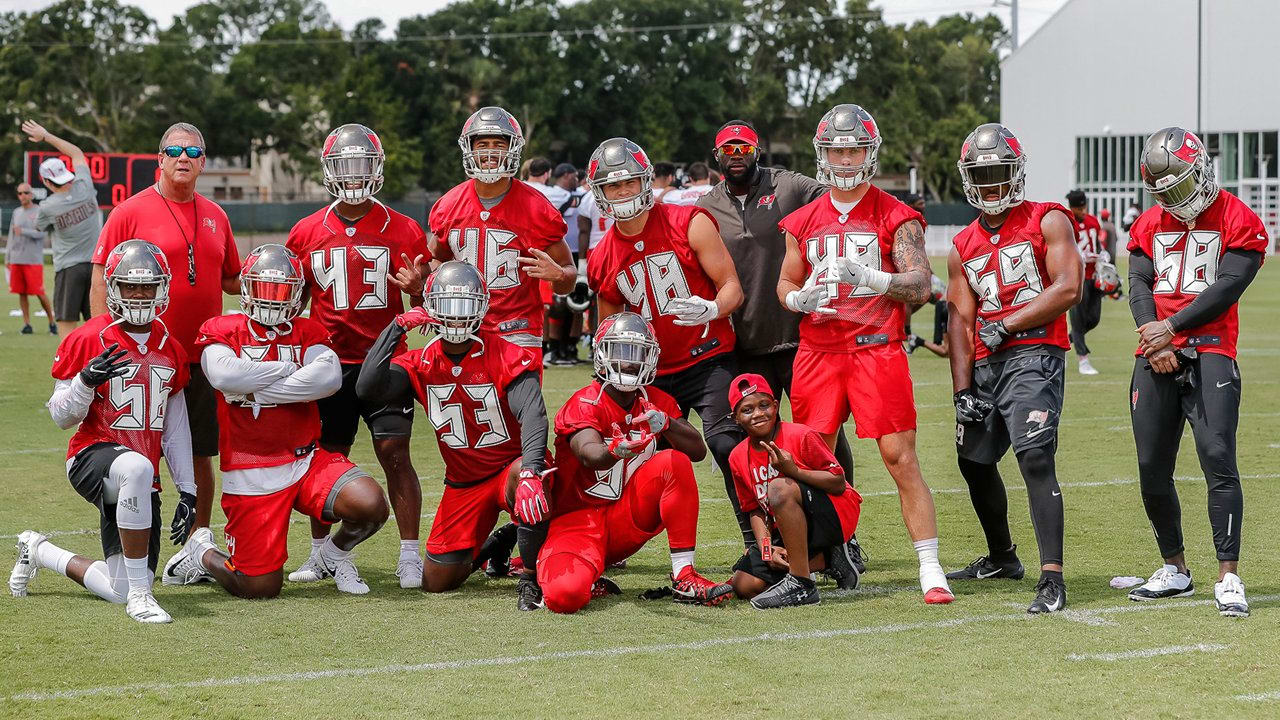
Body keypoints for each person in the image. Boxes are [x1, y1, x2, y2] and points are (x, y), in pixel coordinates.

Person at [776, 104, 951, 604]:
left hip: (877, 349)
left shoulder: (896, 215)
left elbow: (921, 284)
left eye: (854, 148)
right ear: (822, 153)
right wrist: (797, 299)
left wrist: (873, 278)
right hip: (818, 350)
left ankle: (929, 564)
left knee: (900, 458)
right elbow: (785, 281)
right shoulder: (804, 219)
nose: (846, 158)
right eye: (837, 149)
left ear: (870, 153)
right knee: (812, 457)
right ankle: (818, 560)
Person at [163, 244, 390, 599]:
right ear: (247, 289)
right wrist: (287, 369)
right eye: (264, 288)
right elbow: (224, 376)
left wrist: (256, 392)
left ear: (296, 294)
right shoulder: (223, 327)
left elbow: (327, 379)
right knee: (260, 587)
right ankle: (200, 552)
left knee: (371, 504)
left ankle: (332, 555)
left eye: (281, 290)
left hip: (305, 460)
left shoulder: (306, 329)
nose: (271, 299)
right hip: (250, 471)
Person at [696, 119, 859, 554]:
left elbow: (839, 199)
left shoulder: (788, 186)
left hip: (799, 335)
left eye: (743, 148)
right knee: (758, 442)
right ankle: (772, 538)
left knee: (819, 436)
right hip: (744, 340)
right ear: (717, 156)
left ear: (757, 152)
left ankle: (846, 534)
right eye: (728, 149)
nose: (736, 155)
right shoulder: (706, 206)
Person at [10, 240, 195, 623]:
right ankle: (143, 600)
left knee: (119, 587)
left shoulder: (171, 347)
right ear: (114, 288)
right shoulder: (88, 338)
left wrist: (189, 489)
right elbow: (61, 417)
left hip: (140, 479)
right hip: (91, 456)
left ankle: (40, 551)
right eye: (131, 286)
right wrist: (84, 382)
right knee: (138, 467)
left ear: (163, 288)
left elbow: (176, 427)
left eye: (147, 286)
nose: (140, 294)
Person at [1125, 127, 1268, 618]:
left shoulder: (1238, 217)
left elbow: (1226, 287)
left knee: (1216, 456)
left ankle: (1229, 575)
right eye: (1168, 192)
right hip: (1156, 350)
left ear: (1202, 170)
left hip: (1210, 349)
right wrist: (1152, 333)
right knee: (1151, 467)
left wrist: (1171, 328)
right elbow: (1139, 283)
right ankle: (1175, 568)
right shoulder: (1147, 223)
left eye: (1183, 186)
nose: (1178, 200)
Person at [356, 261, 553, 610]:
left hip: (510, 468)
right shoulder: (421, 361)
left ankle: (531, 581)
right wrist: (397, 326)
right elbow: (368, 387)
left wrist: (531, 472)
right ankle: (499, 542)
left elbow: (534, 416)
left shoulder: (508, 353)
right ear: (431, 309)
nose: (458, 318)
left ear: (482, 307)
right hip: (463, 483)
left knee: (529, 484)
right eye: (447, 307)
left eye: (465, 307)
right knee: (436, 581)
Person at [585, 137, 747, 558]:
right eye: (612, 186)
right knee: (624, 458)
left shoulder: (688, 220)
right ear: (598, 193)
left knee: (729, 446)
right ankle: (603, 544)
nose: (622, 193)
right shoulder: (603, 257)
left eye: (629, 183)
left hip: (708, 356)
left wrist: (710, 308)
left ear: (646, 180)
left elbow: (733, 288)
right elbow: (607, 331)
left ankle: (762, 546)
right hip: (650, 376)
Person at [283, 124, 429, 589]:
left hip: (384, 362)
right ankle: (319, 553)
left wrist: (420, 289)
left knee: (395, 455)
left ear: (377, 169)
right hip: (329, 365)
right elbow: (292, 305)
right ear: (329, 171)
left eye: (362, 165)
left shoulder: (403, 228)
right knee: (325, 459)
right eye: (344, 166)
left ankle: (409, 555)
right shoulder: (307, 231)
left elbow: (425, 303)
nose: (353, 175)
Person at [945, 123, 1082, 614]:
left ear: (1017, 172)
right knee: (972, 460)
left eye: (1000, 172)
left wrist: (1007, 323)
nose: (991, 185)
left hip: (1035, 352)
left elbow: (1068, 288)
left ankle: (1052, 576)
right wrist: (962, 390)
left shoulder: (1047, 219)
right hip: (987, 361)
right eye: (982, 175)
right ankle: (1004, 558)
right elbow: (959, 321)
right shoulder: (962, 245)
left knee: (1034, 457)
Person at [92, 121, 241, 534]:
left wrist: (274, 276)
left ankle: (199, 544)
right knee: (133, 457)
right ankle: (127, 540)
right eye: (175, 152)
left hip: (202, 358)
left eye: (193, 153)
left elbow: (232, 278)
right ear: (160, 159)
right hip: (143, 358)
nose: (183, 159)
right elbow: (102, 274)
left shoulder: (216, 215)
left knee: (200, 456)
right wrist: (102, 341)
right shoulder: (130, 211)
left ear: (203, 163)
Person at [537, 312, 733, 613]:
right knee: (565, 597)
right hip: (577, 522)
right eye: (620, 351)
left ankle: (684, 575)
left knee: (673, 461)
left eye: (637, 352)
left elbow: (697, 451)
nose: (629, 361)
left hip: (624, 519)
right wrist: (616, 451)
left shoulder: (655, 400)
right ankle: (560, 565)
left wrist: (666, 423)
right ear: (602, 354)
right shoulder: (586, 402)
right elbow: (589, 453)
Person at [428, 107, 576, 365]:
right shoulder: (448, 204)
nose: (489, 151)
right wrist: (425, 285)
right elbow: (435, 262)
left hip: (517, 332)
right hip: (462, 327)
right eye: (482, 144)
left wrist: (560, 276)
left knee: (522, 407)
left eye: (498, 144)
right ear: (469, 150)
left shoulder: (537, 207)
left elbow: (567, 277)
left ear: (512, 150)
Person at [726, 374, 862, 609]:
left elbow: (838, 482)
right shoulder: (737, 456)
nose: (758, 414)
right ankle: (828, 560)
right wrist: (767, 549)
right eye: (747, 410)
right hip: (788, 524)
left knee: (780, 487)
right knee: (745, 584)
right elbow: (754, 510)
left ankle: (802, 583)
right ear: (736, 419)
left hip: (835, 514)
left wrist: (794, 471)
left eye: (764, 405)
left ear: (776, 405)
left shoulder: (799, 435)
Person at [22, 120, 102, 335]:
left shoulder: (48, 207)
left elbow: (39, 229)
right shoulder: (85, 186)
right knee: (98, 328)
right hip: (97, 267)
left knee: (67, 328)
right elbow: (76, 153)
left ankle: (71, 369)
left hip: (69, 269)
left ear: (47, 182)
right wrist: (46, 135)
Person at [6, 183, 56, 334]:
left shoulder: (39, 211)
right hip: (17, 258)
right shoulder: (16, 212)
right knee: (21, 293)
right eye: (20, 193)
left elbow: (42, 234)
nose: (23, 196)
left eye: (26, 193)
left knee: (39, 292)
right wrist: (8, 257)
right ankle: (27, 324)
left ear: (31, 195)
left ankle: (52, 323)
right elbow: (11, 235)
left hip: (33, 260)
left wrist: (24, 231)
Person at [1066, 189, 1105, 375]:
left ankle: (1064, 343)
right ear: (1071, 207)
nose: (1082, 211)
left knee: (1093, 319)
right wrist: (1080, 256)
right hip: (1076, 277)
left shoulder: (1093, 221)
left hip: (1093, 276)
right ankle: (1083, 360)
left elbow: (1099, 244)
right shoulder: (1066, 223)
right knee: (1078, 321)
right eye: (1078, 208)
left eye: (1083, 207)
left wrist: (1102, 257)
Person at [906, 274, 950, 357]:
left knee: (946, 351)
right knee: (946, 351)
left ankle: (916, 340)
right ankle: (914, 338)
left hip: (943, 304)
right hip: (947, 307)